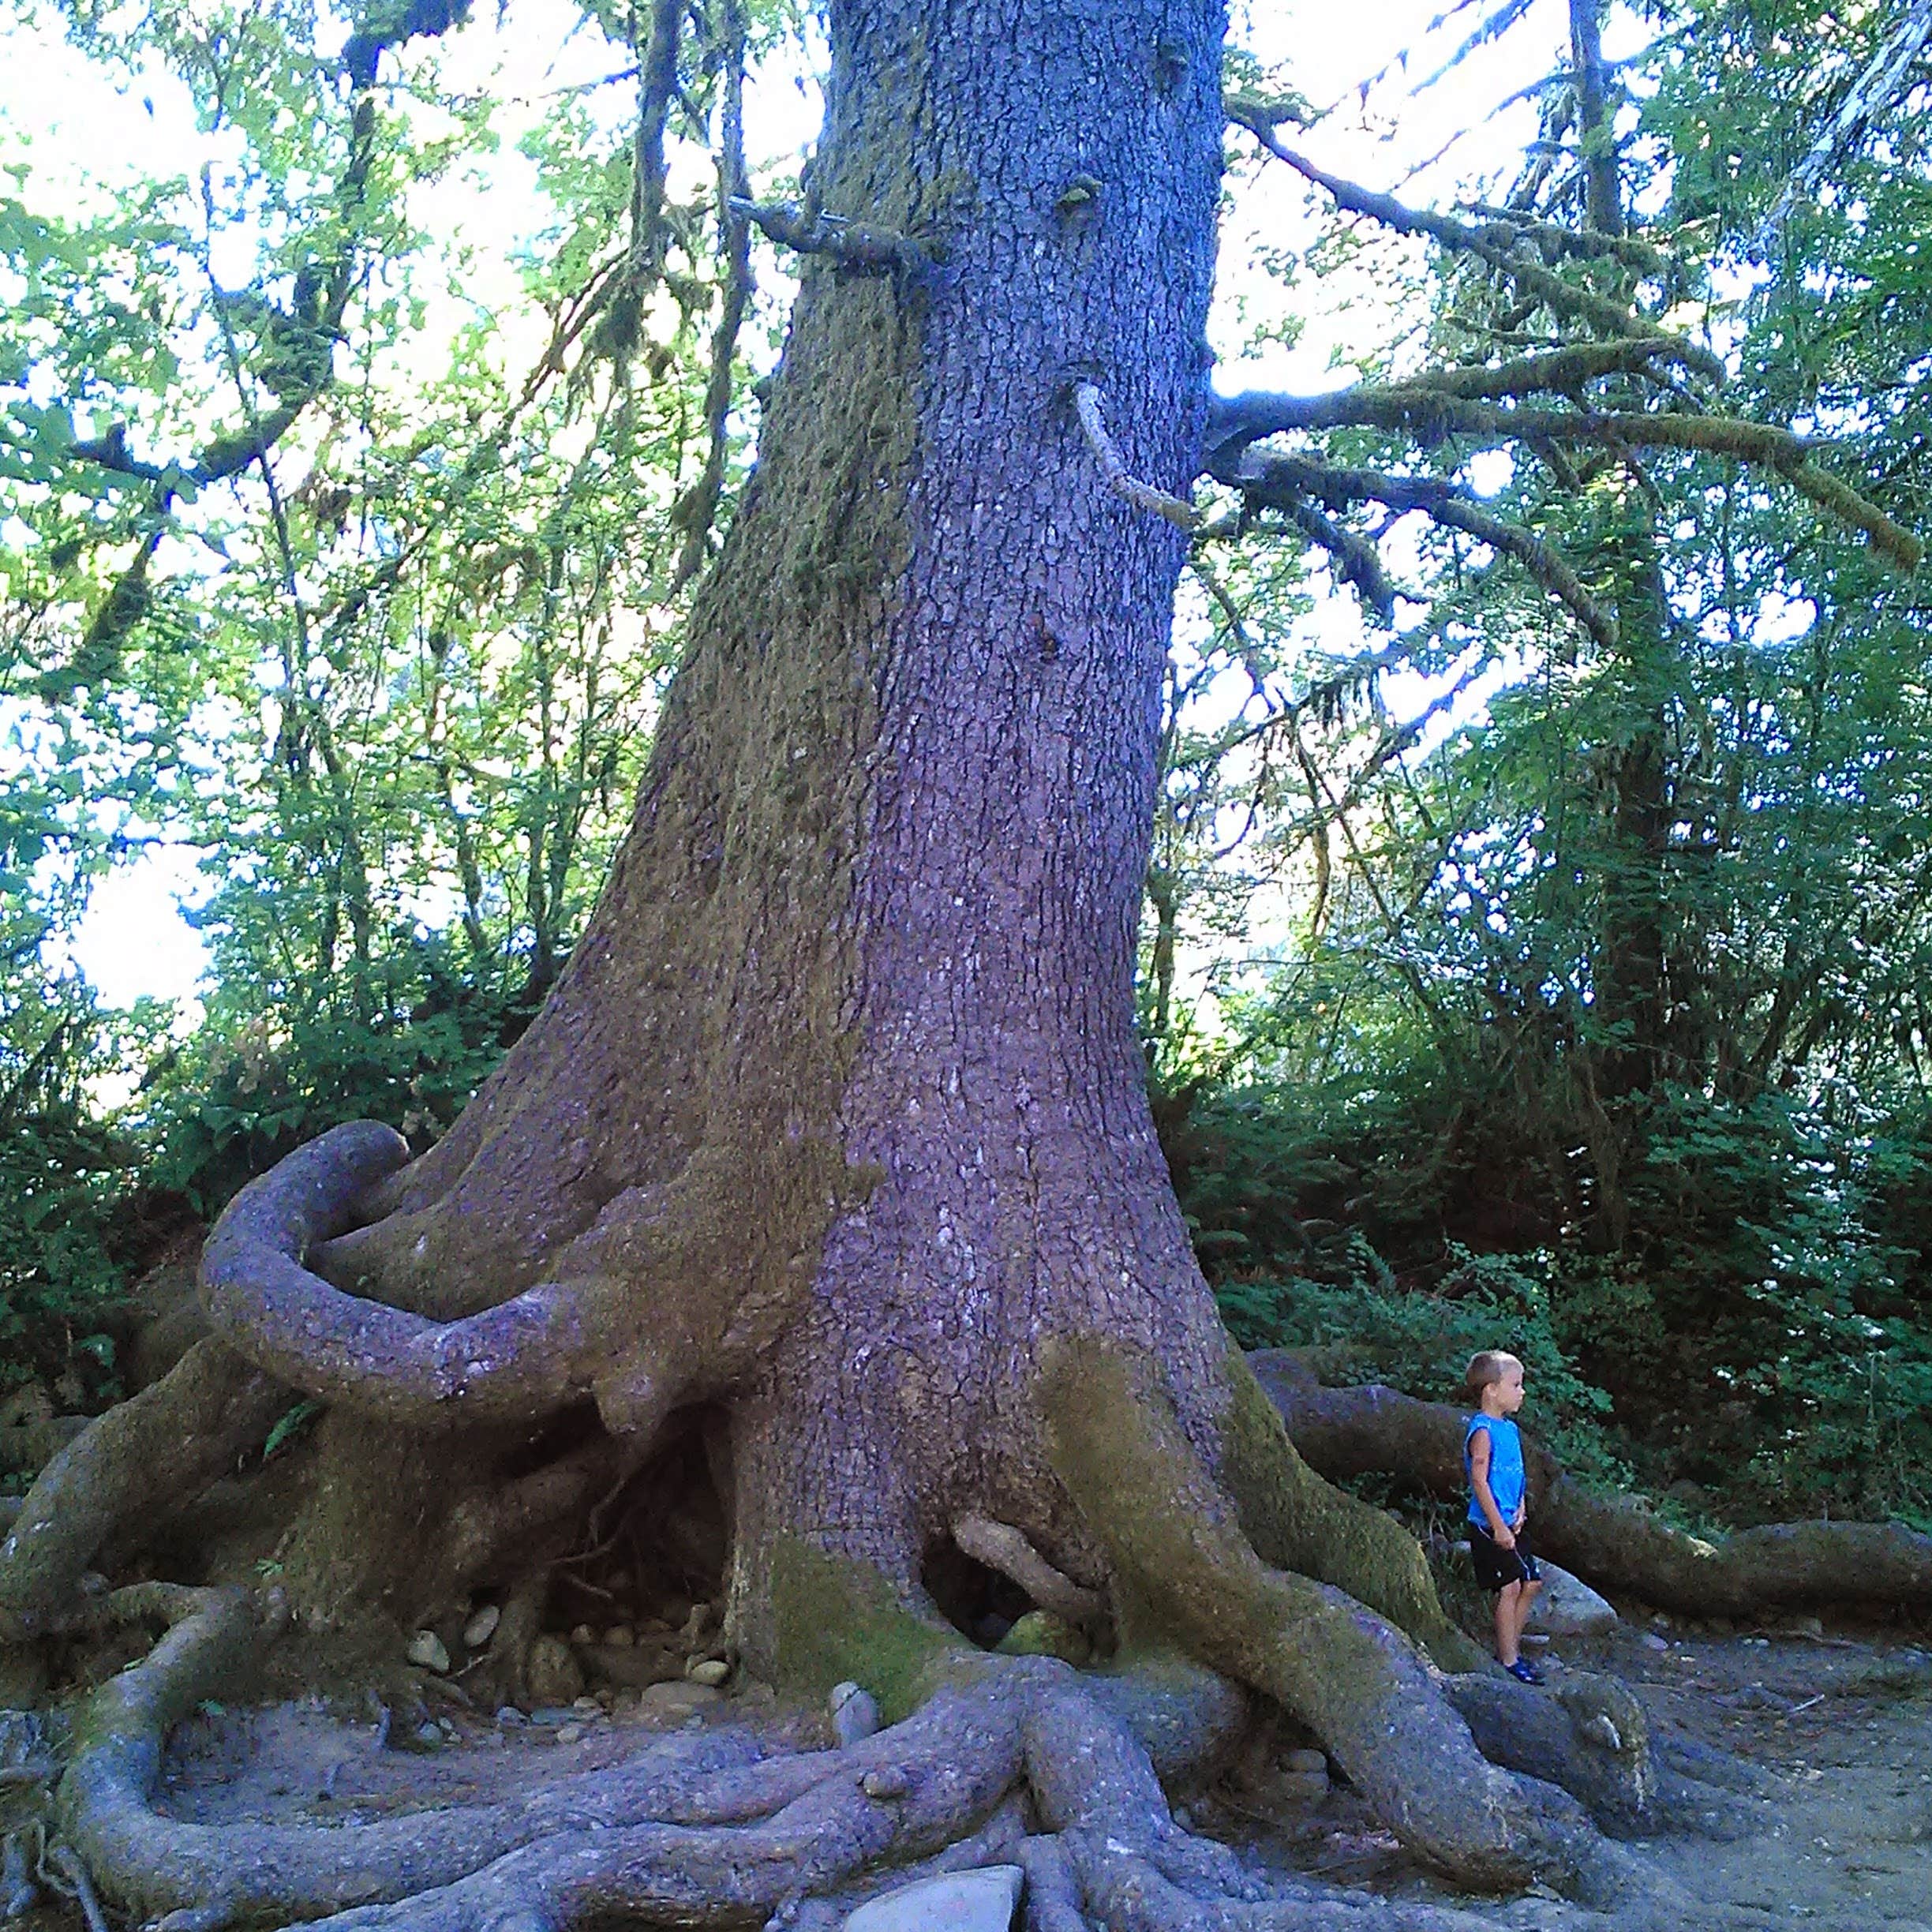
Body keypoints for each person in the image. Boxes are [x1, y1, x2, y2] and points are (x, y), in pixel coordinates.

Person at [1464, 1349, 1544, 1683]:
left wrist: (1521, 1507)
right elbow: (1479, 1480)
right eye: (1516, 1385)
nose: (1522, 1391)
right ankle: (1510, 1660)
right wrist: (1498, 1526)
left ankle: (1510, 1646)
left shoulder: (1510, 1430)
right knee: (1509, 1587)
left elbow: (1517, 1474)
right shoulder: (1482, 1430)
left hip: (1514, 1521)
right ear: (1492, 1390)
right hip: (1490, 1526)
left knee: (1532, 1583)